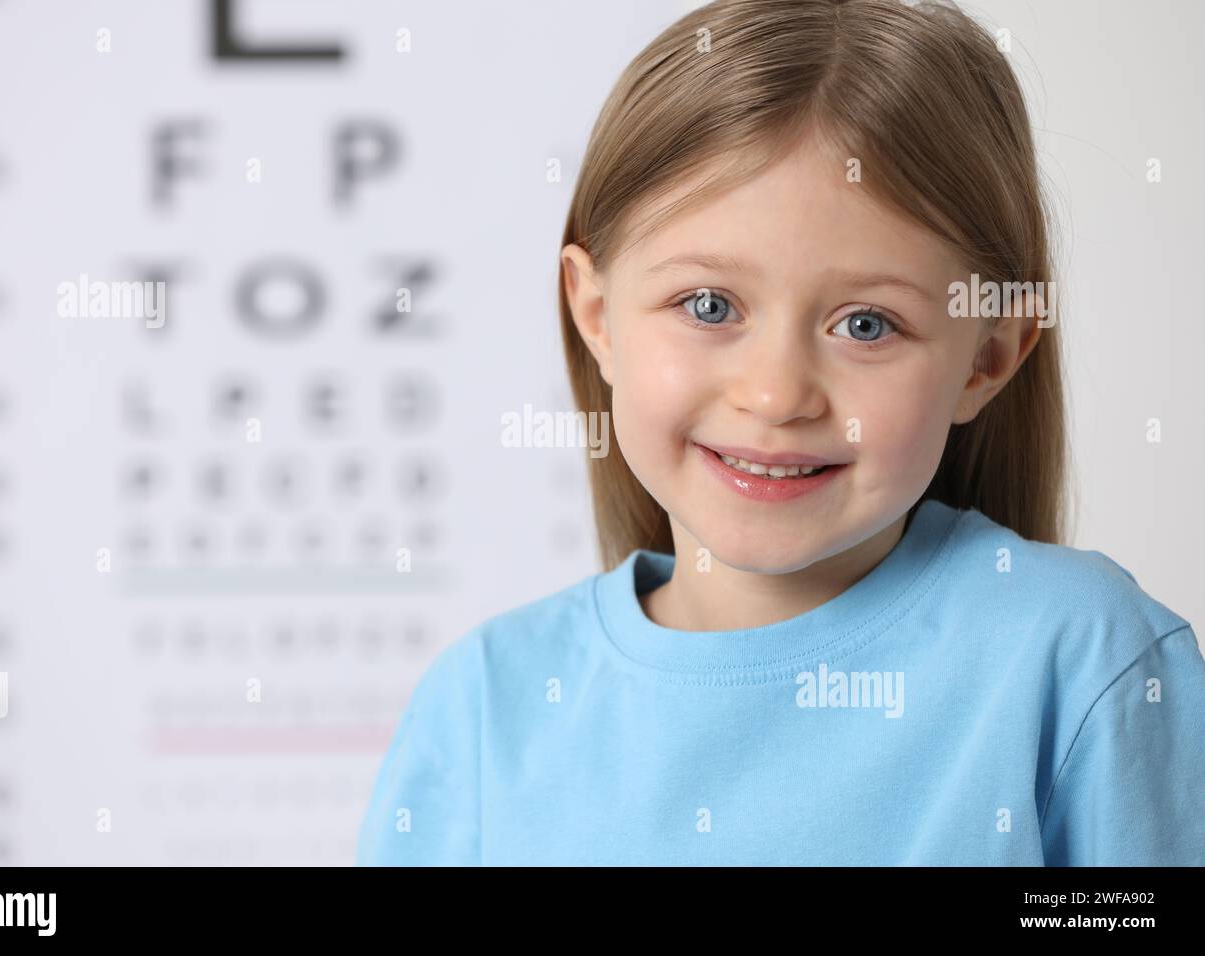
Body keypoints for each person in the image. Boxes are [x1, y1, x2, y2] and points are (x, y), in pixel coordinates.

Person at [356, 0, 1205, 865]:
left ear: (987, 356)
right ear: (598, 316)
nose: (775, 395)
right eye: (710, 306)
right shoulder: (482, 707)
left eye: (866, 324)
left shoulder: (1081, 660)